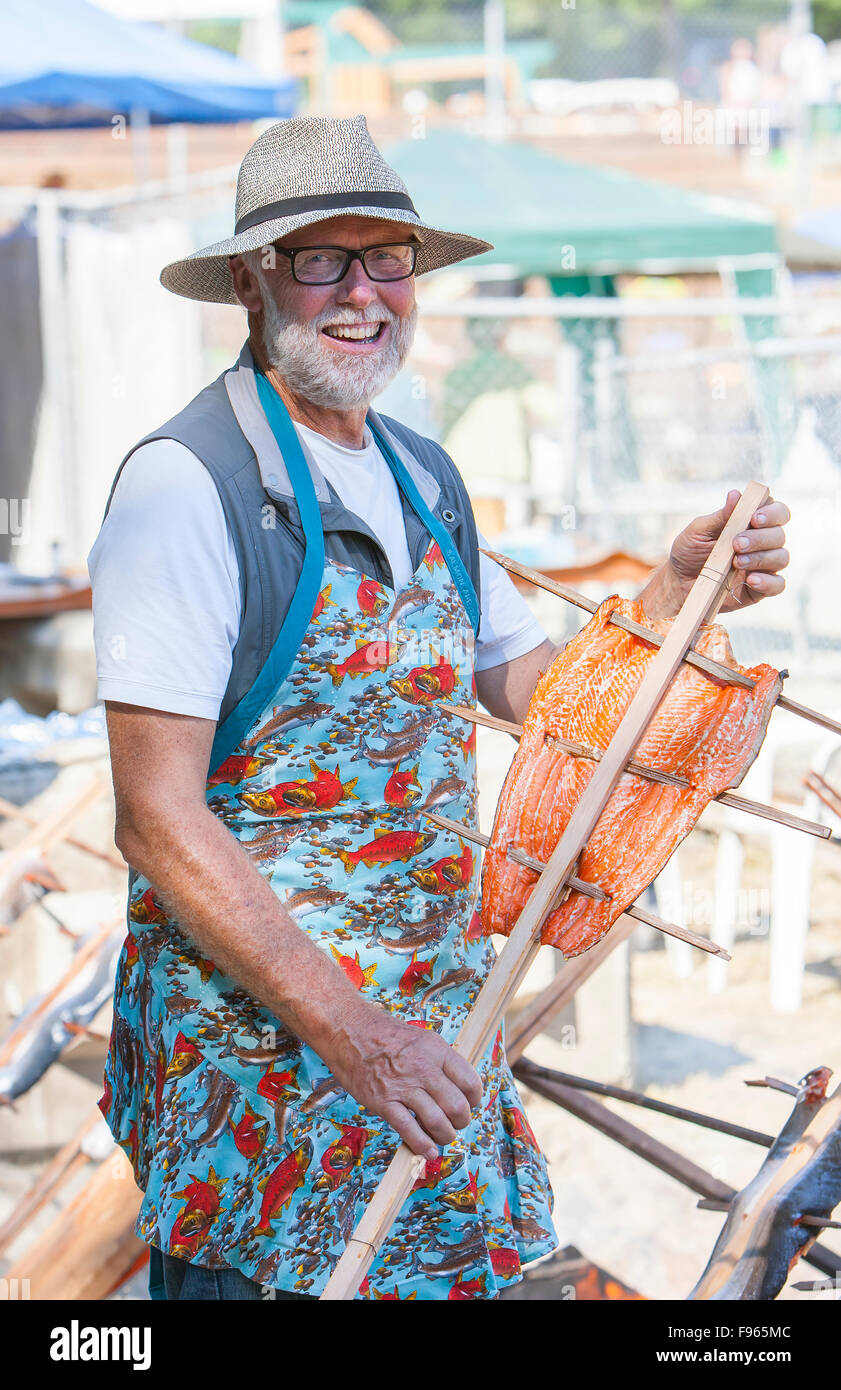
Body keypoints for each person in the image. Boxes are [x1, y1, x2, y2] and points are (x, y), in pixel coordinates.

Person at [88, 115, 791, 1302]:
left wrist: (673, 591)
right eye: (322, 261)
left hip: (430, 1047)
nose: (362, 295)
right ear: (255, 282)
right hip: (262, 1074)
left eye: (388, 260)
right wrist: (353, 1031)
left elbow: (547, 701)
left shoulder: (423, 474)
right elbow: (155, 819)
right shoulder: (187, 485)